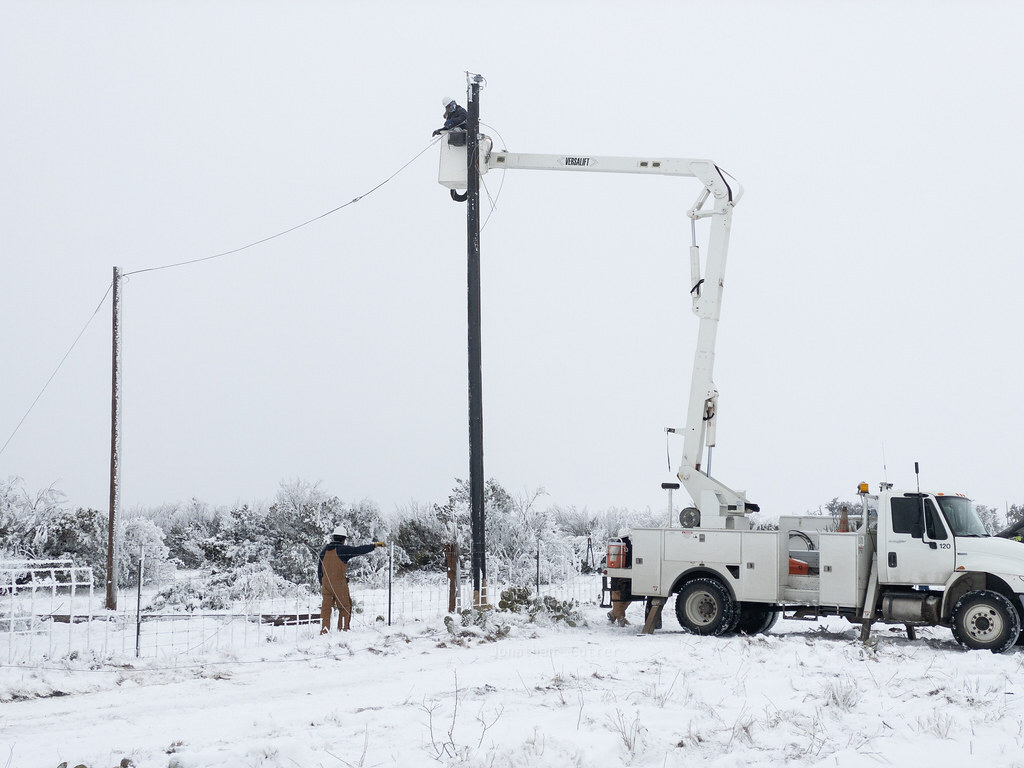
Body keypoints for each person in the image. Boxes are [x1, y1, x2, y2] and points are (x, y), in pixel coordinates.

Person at [318, 526, 386, 634]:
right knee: (345, 606)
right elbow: (358, 550)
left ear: (333, 537)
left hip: (326, 584)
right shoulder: (343, 549)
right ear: (343, 539)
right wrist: (374, 545)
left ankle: (324, 630)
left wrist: (323, 583)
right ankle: (344, 629)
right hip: (339, 584)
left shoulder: (324, 550)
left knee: (326, 608)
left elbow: (320, 570)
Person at [608, 528, 633, 627]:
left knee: (617, 596)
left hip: (616, 576)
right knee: (628, 596)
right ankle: (620, 618)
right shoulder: (629, 546)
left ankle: (615, 614)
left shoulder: (614, 547)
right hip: (627, 575)